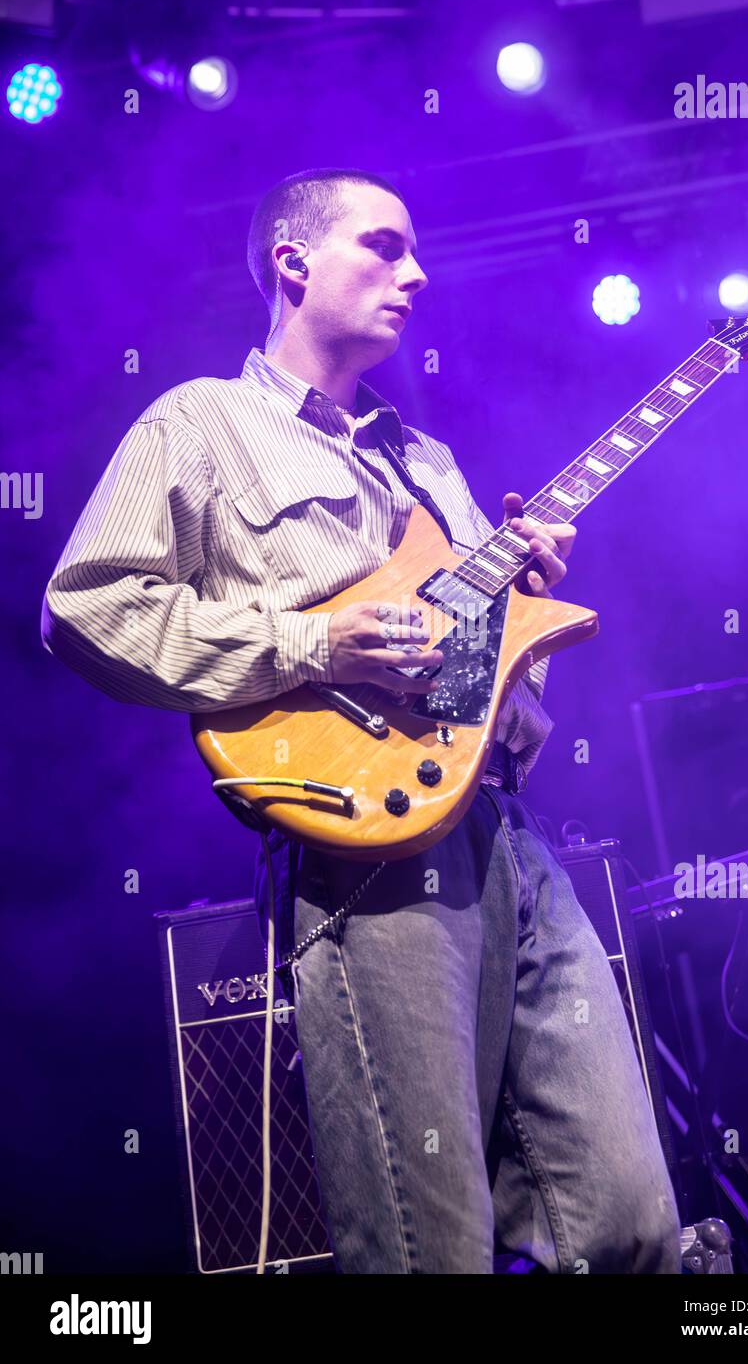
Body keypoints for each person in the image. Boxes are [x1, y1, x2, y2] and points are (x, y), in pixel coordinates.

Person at [41, 167, 681, 1275]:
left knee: (628, 1225)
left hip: (508, 843)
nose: (415, 274)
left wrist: (514, 609)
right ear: (290, 261)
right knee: (425, 1245)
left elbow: (486, 702)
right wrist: (310, 644)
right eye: (382, 247)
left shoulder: (426, 463)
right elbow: (86, 606)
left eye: (414, 253)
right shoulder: (200, 421)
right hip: (363, 861)